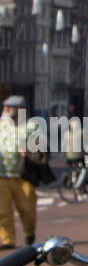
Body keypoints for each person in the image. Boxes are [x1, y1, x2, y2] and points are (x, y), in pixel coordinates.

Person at [0, 95, 40, 249]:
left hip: (23, 175)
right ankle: (7, 239)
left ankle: (29, 232)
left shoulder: (31, 126)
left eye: (9, 107)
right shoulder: (1, 125)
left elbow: (42, 143)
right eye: (5, 107)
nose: (5, 110)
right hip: (2, 175)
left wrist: (31, 148)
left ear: (20, 109)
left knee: (27, 209)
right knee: (2, 210)